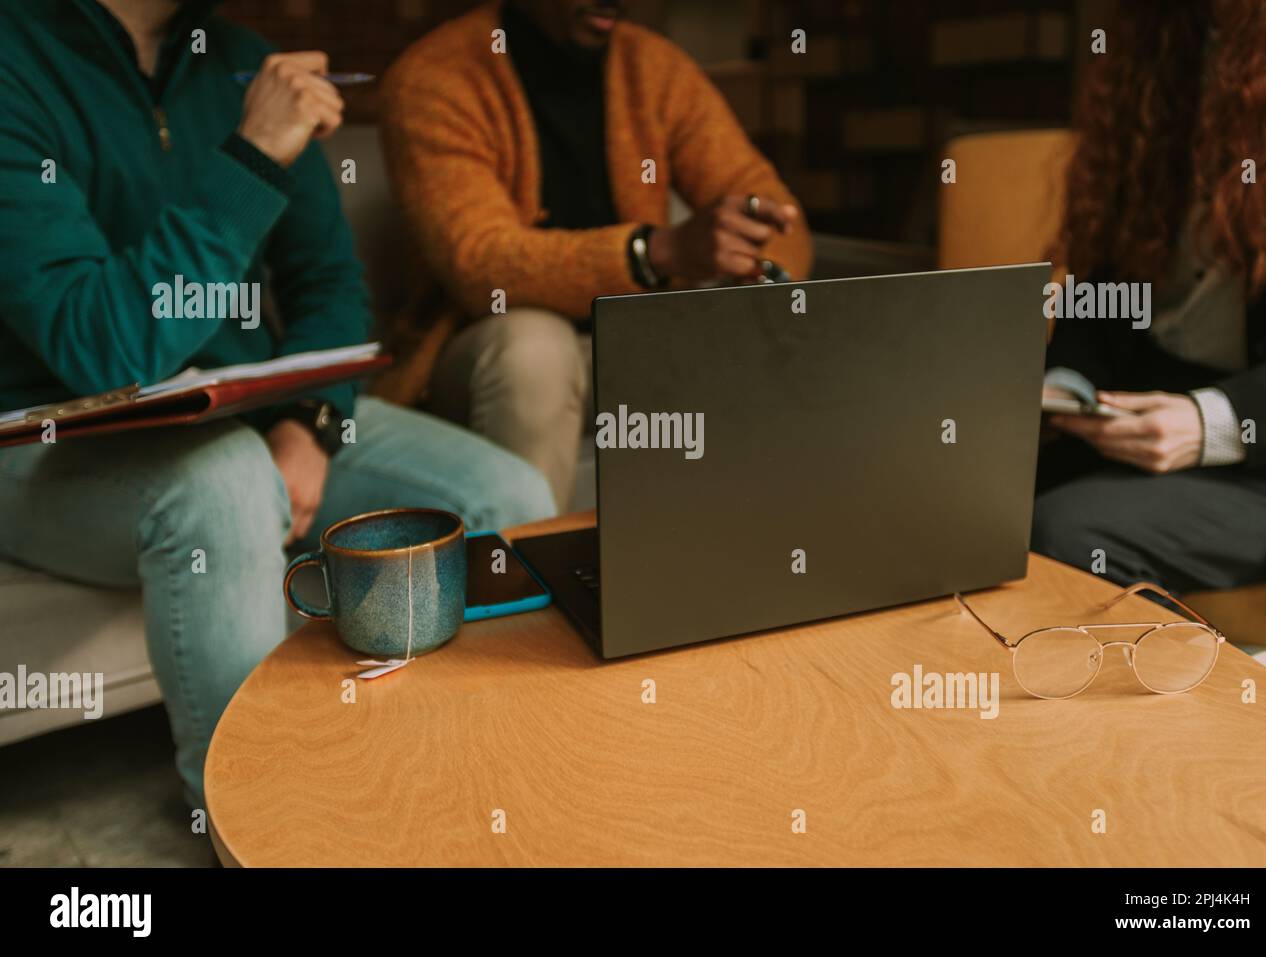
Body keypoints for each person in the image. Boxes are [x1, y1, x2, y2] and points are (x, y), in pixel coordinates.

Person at [0, 0, 554, 807]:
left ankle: (463, 790)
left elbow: (329, 286)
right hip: (43, 438)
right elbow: (101, 350)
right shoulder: (16, 62)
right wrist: (254, 154)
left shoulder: (238, 58)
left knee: (505, 497)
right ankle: (272, 824)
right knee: (224, 482)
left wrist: (311, 427)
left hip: (244, 411)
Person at [376, 0, 814, 507]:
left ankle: (728, 565)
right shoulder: (432, 77)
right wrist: (655, 252)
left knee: (736, 325)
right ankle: (526, 573)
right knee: (534, 347)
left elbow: (771, 206)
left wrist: (757, 271)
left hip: (631, 340)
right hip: (481, 355)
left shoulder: (653, 66)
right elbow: (482, 264)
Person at [1033, 0, 1266, 596]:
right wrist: (1068, 385)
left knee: (1061, 533)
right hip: (1145, 417)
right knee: (955, 496)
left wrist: (1213, 425)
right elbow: (1109, 279)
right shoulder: (1164, 45)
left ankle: (1208, 684)